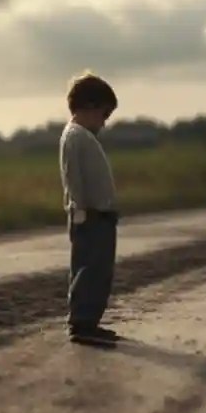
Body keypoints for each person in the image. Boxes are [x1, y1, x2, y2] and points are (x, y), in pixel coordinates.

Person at [59, 70, 121, 347]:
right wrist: (81, 209)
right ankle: (82, 322)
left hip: (101, 216)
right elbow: (74, 177)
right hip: (90, 217)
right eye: (104, 115)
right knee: (89, 269)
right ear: (90, 106)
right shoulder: (76, 136)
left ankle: (90, 321)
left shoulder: (84, 136)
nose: (104, 123)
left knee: (100, 270)